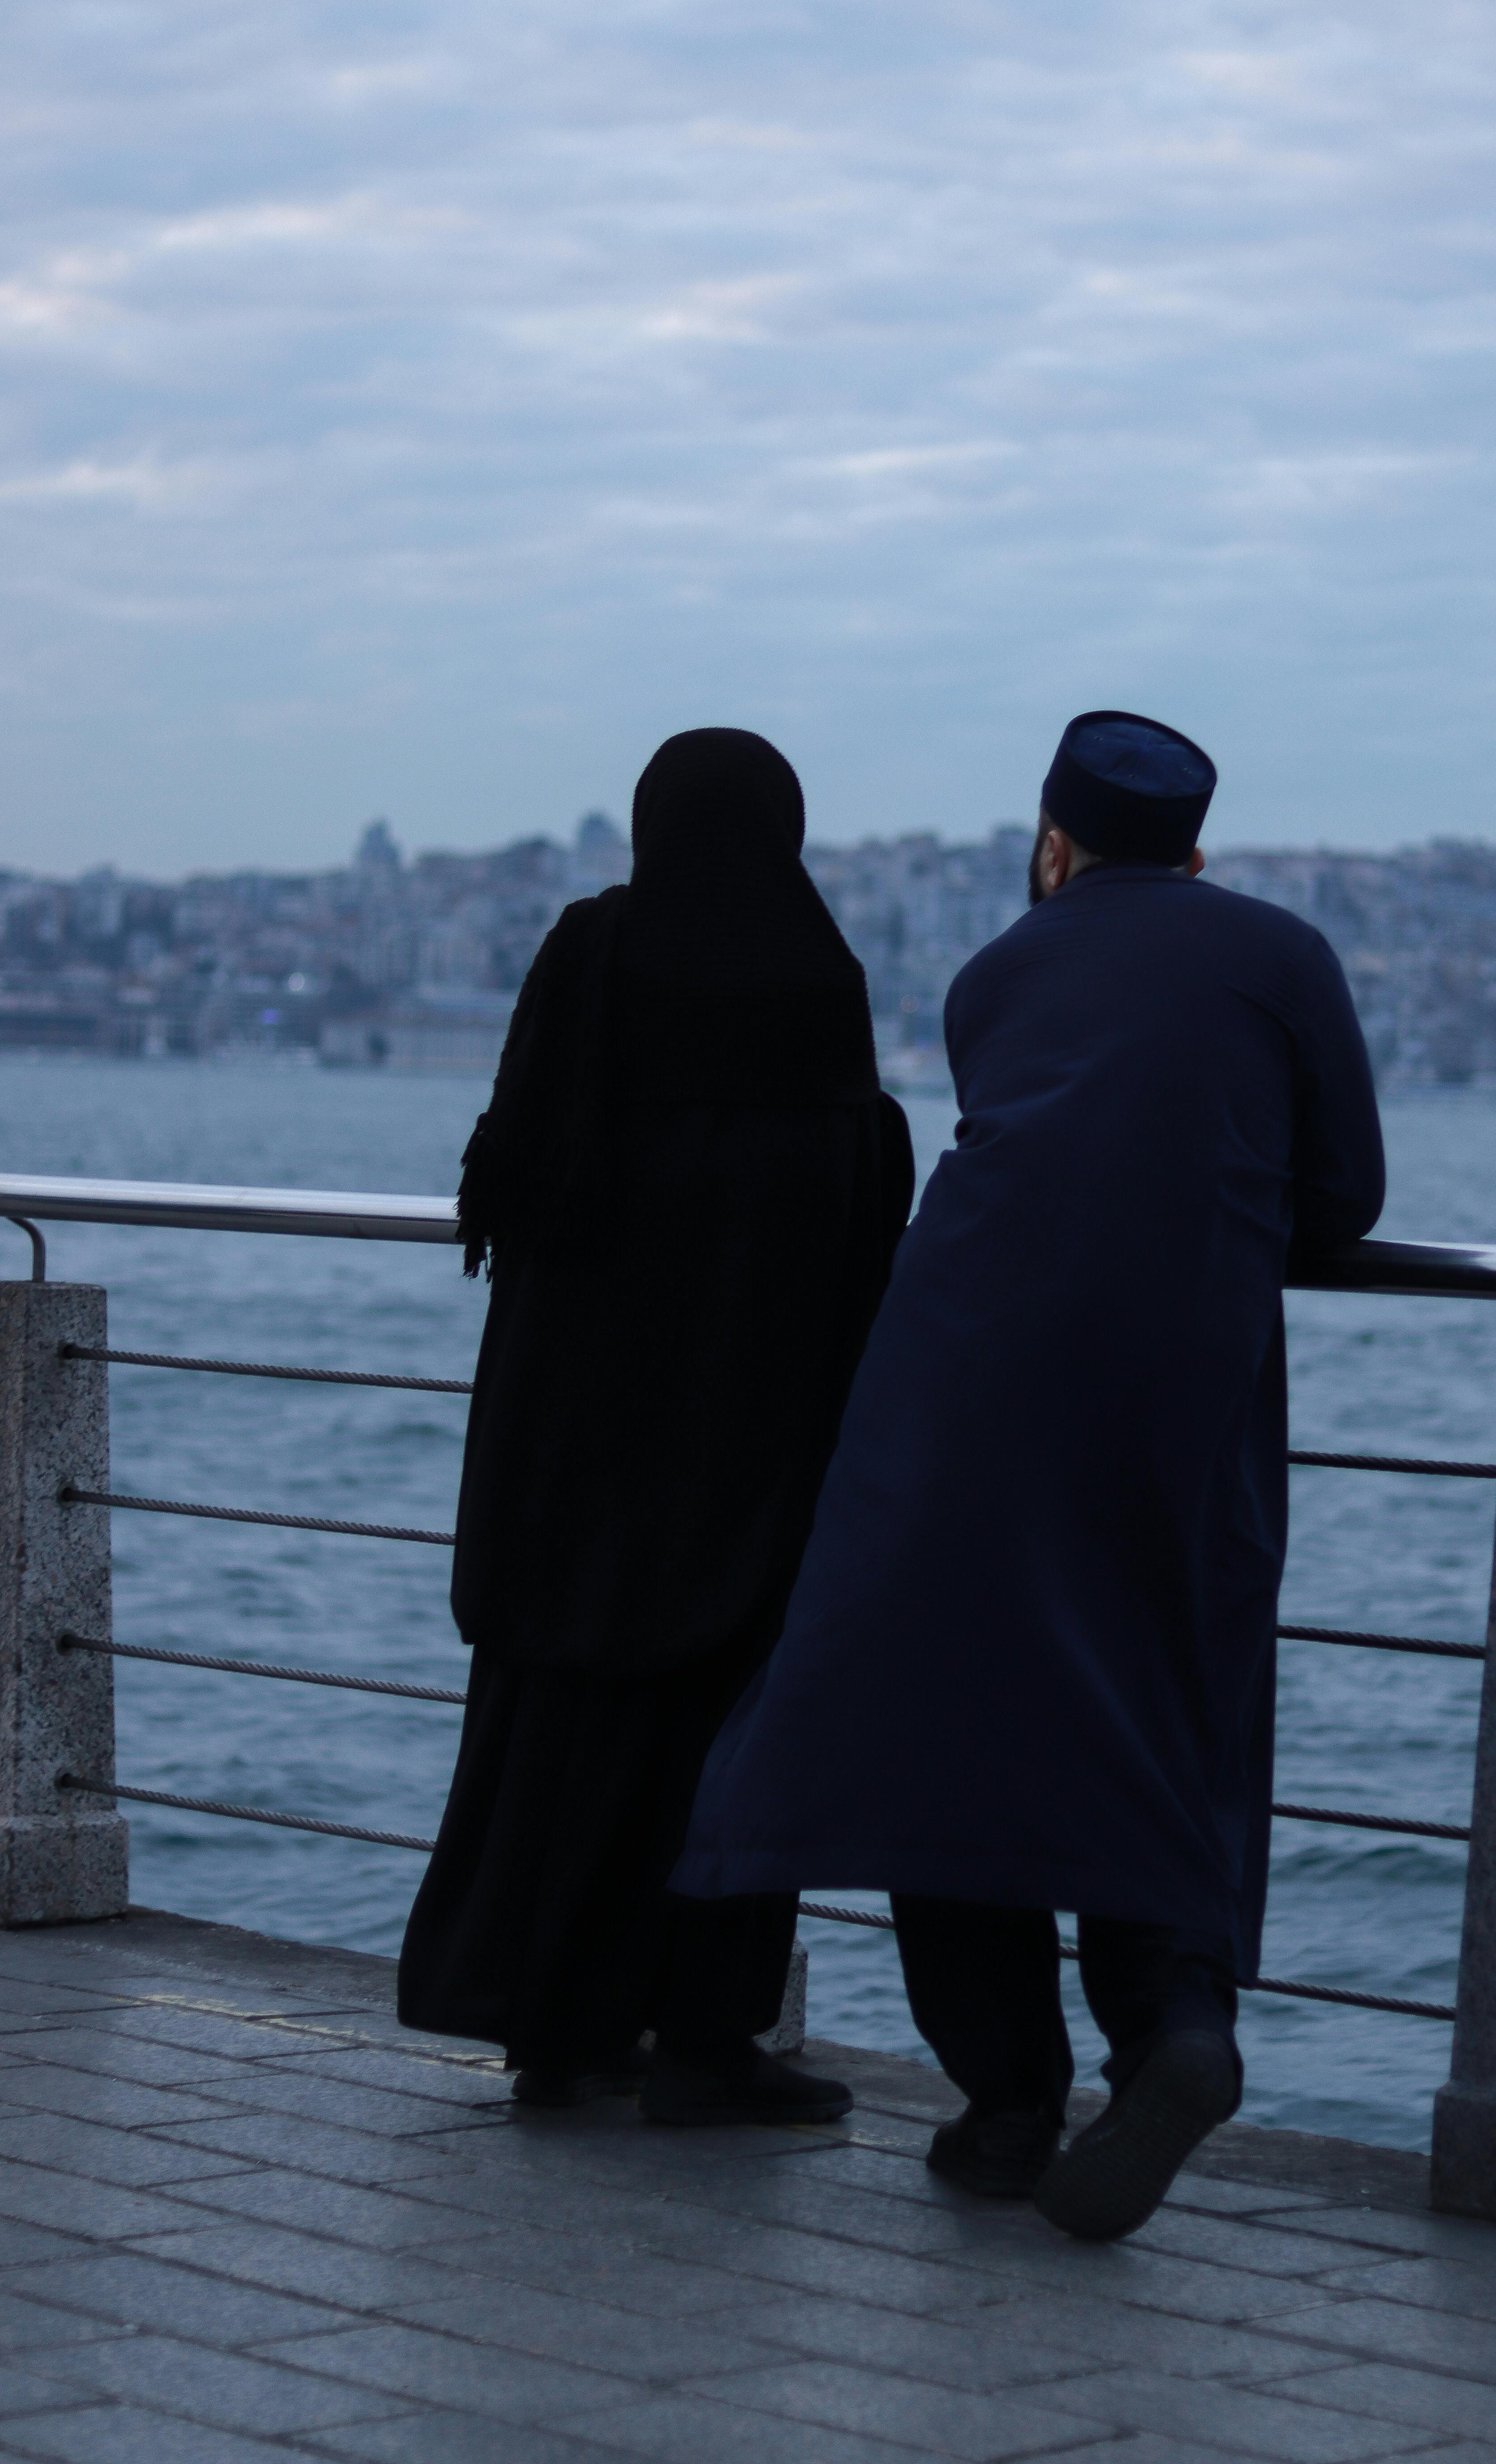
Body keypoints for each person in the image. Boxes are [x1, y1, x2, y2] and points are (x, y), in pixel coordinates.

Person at [672, 709, 1384, 2233]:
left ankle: (1005, 2109)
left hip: (955, 1390)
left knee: (948, 1723)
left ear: (1053, 845)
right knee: (1161, 1710)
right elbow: (1347, 1194)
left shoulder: (995, 973)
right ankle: (1176, 2034)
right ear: (1197, 855)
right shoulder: (1285, 958)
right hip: (1175, 1405)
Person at [399, 728, 914, 2129]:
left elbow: (514, 1161)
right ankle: (703, 2042)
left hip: (570, 1435)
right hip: (744, 1452)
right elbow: (855, 1211)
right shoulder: (816, 982)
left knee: (561, 1725)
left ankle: (553, 2032)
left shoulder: (594, 951)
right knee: (720, 1732)